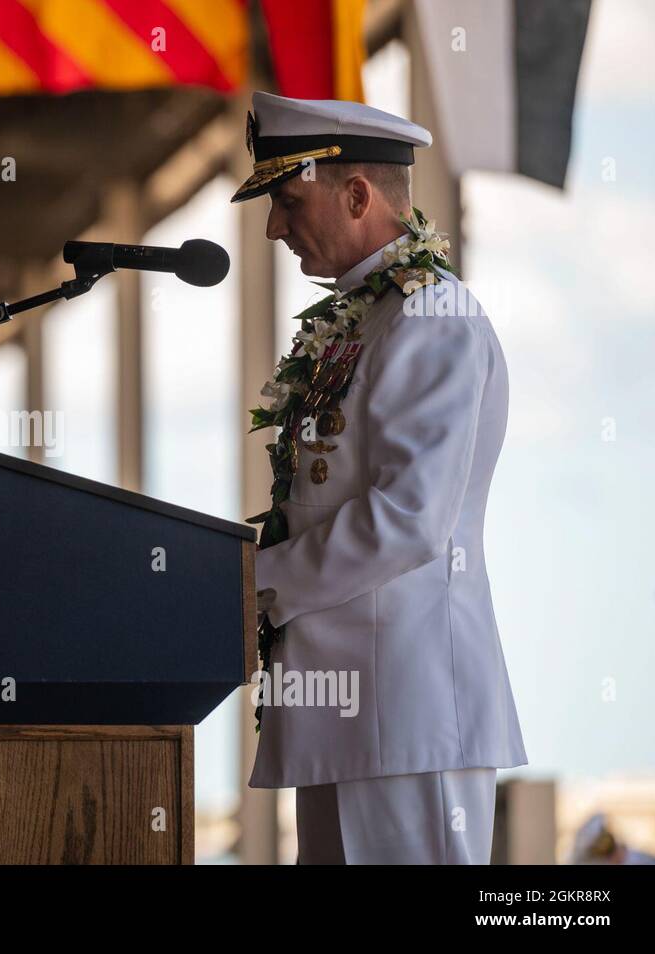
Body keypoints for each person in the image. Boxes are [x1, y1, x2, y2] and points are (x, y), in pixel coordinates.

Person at [235, 92, 527, 864]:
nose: (274, 227)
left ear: (357, 194)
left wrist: (252, 583)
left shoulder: (432, 318)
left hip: (408, 708)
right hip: (340, 712)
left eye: (288, 200)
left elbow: (410, 518)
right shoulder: (362, 323)